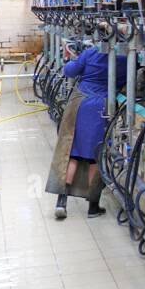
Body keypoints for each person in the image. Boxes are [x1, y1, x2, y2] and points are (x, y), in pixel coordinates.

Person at [45, 43, 127, 219]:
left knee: (71, 153)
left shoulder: (91, 52)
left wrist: (72, 59)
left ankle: (62, 202)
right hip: (102, 107)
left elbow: (70, 71)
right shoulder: (128, 57)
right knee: (95, 157)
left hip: (79, 103)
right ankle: (93, 207)